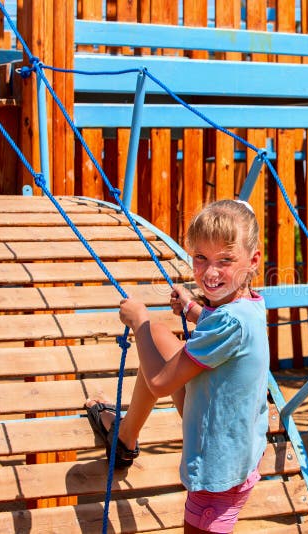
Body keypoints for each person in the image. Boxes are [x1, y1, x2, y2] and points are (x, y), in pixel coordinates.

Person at [85, 199, 269, 534]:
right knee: (159, 335)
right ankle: (125, 438)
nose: (210, 272)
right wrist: (193, 310)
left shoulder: (228, 321)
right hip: (239, 443)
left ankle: (124, 437)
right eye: (200, 257)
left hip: (216, 471)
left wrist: (139, 321)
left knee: (150, 335)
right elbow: (223, 326)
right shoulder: (250, 307)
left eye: (225, 260)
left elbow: (159, 382)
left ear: (254, 260)